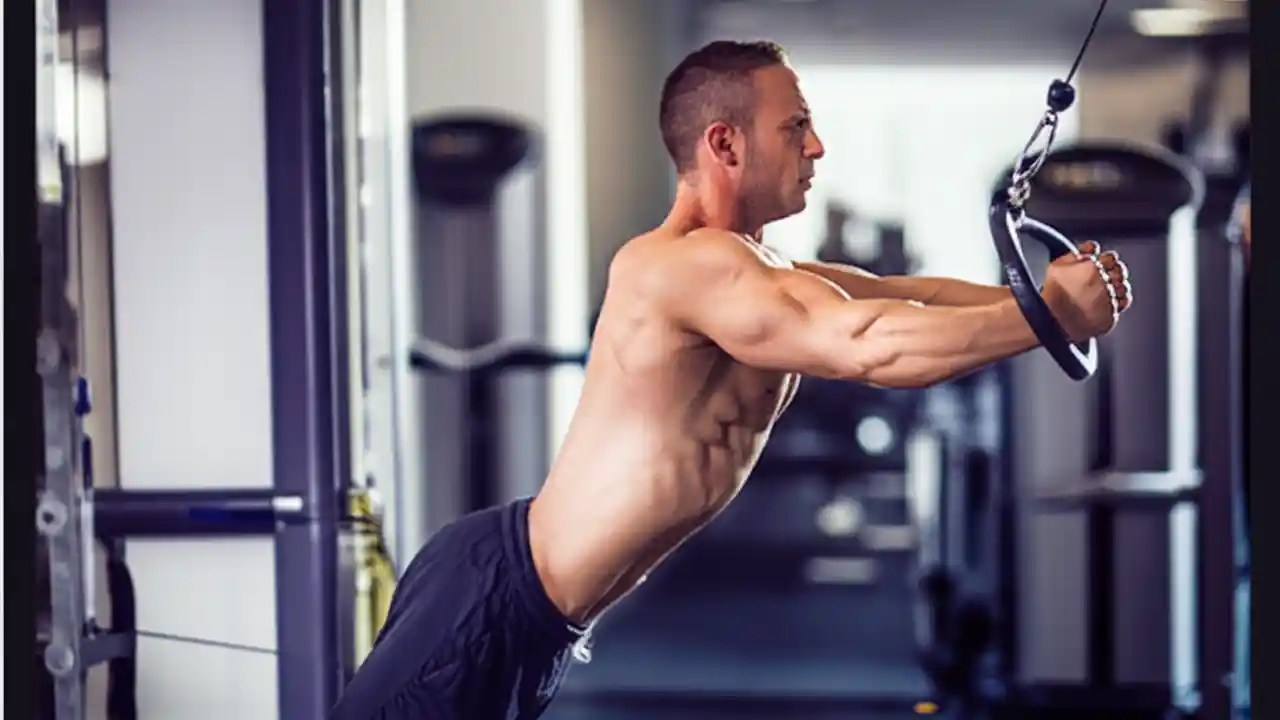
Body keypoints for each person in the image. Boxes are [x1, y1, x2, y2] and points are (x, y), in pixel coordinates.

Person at [329, 40, 1133, 720]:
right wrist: (1049, 318)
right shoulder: (680, 267)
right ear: (725, 144)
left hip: (539, 617)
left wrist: (1044, 298)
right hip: (495, 595)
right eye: (797, 127)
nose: (816, 147)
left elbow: (903, 298)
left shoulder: (762, 266)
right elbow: (867, 345)